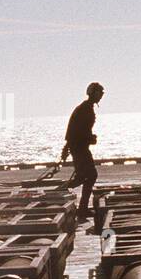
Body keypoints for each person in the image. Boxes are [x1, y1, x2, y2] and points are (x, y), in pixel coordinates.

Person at [61, 82, 104, 220]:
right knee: (90, 176)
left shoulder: (86, 108)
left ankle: (81, 207)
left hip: (79, 147)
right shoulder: (84, 109)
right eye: (99, 92)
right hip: (79, 148)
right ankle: (80, 207)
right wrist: (90, 138)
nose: (101, 95)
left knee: (83, 176)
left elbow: (76, 130)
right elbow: (77, 131)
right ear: (93, 93)